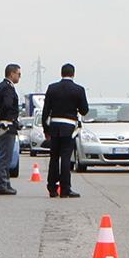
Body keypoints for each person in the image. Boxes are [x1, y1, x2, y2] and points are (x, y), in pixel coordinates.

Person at [41, 63, 89, 198]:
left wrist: (46, 129)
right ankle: (65, 189)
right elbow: (84, 110)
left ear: (61, 73)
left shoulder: (52, 88)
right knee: (66, 158)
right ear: (73, 74)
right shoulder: (78, 90)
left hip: (55, 127)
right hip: (69, 127)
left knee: (54, 157)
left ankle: (52, 188)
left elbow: (45, 111)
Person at [0, 63, 21, 195]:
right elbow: (7, 105)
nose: (19, 77)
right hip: (6, 126)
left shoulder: (1, 86)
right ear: (11, 74)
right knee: (5, 156)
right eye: (18, 74)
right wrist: (0, 114)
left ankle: (5, 183)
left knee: (5, 155)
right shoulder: (8, 88)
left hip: (0, 125)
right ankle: (1, 184)